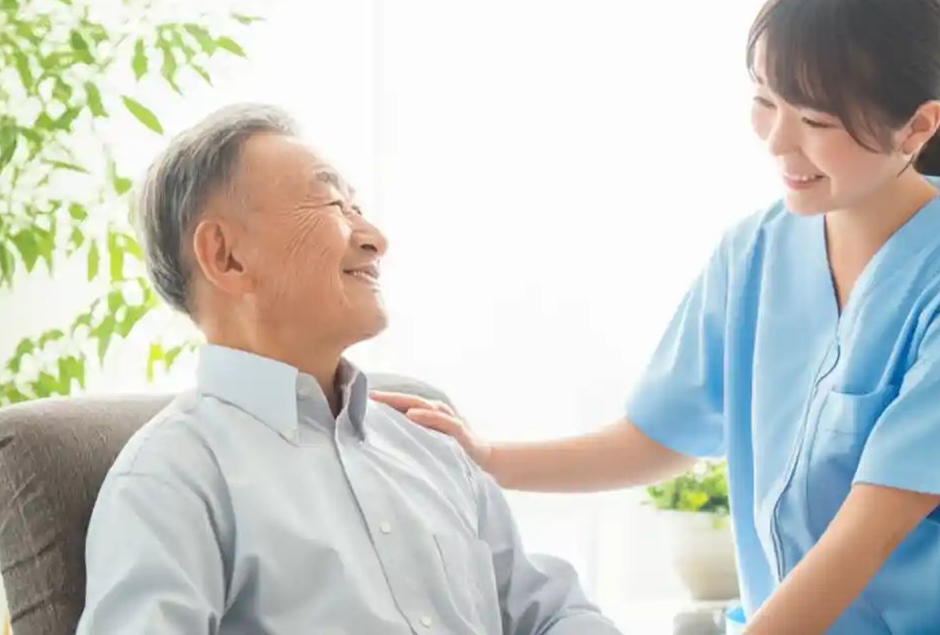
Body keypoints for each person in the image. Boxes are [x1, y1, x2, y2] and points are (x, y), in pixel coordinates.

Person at [375, 0, 940, 634]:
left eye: (818, 123)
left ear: (917, 125)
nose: (778, 141)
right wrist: (489, 460)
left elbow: (868, 534)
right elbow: (660, 436)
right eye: (766, 102)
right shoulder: (756, 251)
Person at [76, 104, 621, 634]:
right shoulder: (169, 480)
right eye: (335, 205)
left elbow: (552, 612)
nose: (374, 239)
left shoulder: (428, 444)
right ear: (227, 256)